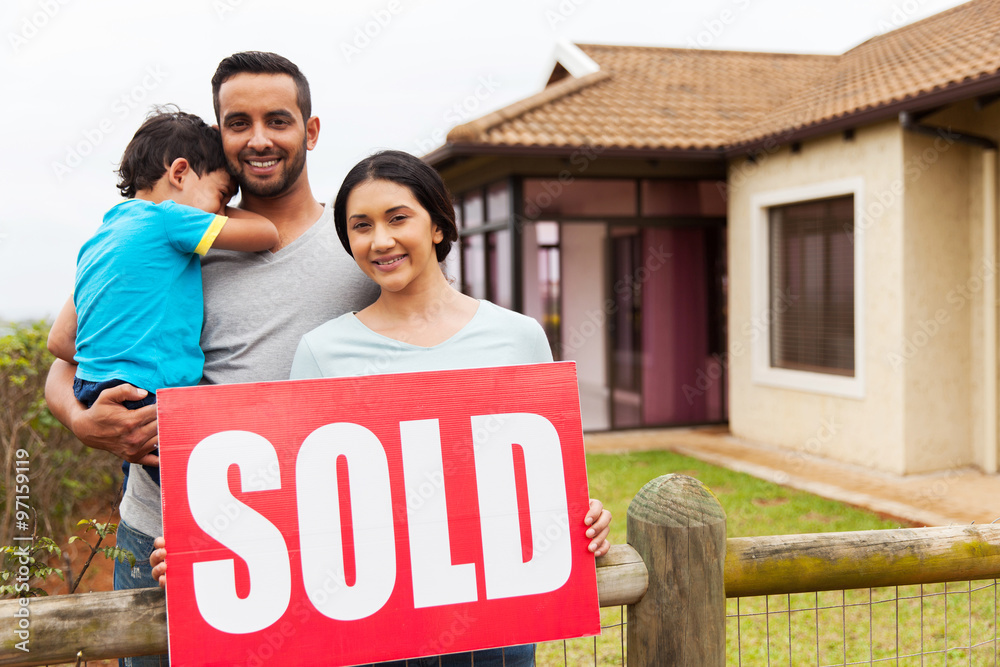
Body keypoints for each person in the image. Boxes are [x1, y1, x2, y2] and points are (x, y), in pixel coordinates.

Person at [44, 52, 380, 667]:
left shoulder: (362, 241)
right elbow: (67, 355)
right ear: (217, 135)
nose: (258, 139)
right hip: (159, 540)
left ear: (310, 131)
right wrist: (78, 419)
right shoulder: (156, 238)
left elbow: (441, 355)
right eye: (237, 122)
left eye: (278, 120)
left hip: (316, 543)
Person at [289, 149, 612, 666]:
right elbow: (299, 502)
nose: (381, 240)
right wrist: (205, 552)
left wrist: (584, 516)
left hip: (496, 622)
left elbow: (544, 481)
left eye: (398, 218)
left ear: (438, 226)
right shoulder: (321, 352)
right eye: (361, 226)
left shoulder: (518, 337)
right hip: (374, 626)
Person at [47, 107, 279, 488]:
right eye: (222, 195)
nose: (221, 210)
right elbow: (266, 233)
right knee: (207, 491)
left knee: (150, 481)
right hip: (148, 394)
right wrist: (231, 213)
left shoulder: (103, 235)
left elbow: (60, 340)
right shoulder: (170, 219)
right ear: (179, 172)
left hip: (95, 390)